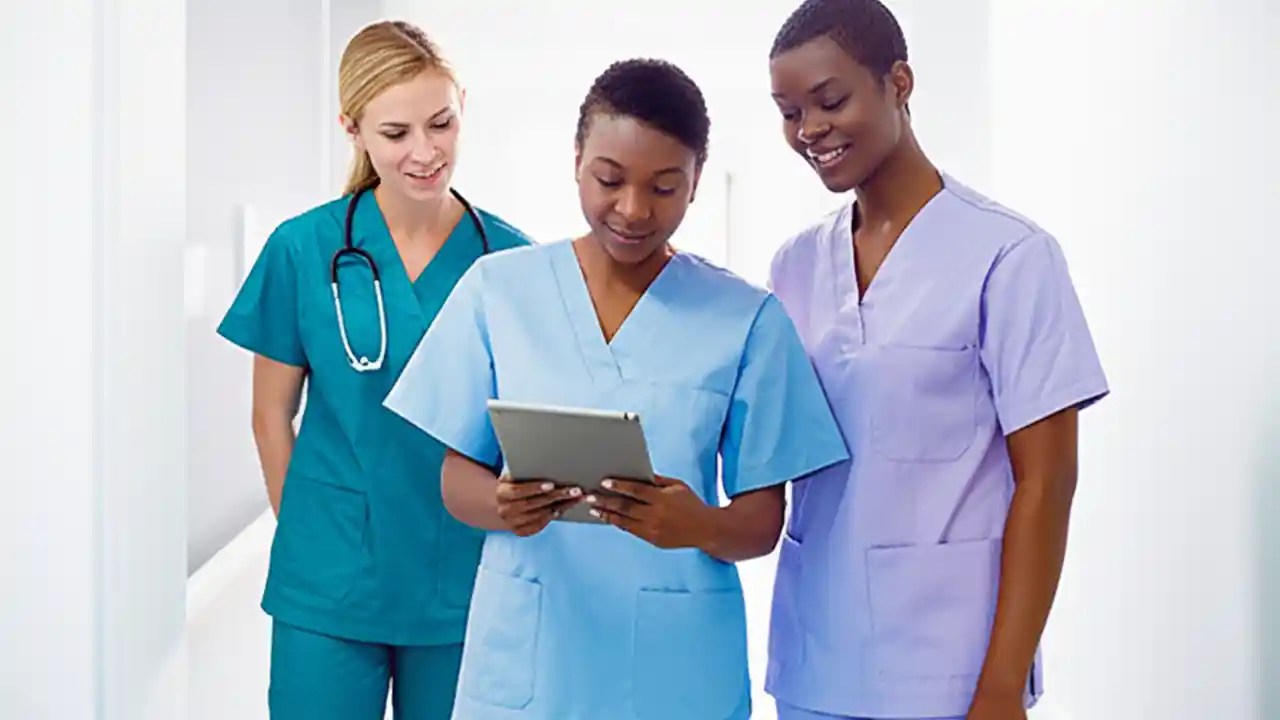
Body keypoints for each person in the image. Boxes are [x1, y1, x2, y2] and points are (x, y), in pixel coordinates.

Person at [382, 58, 849, 719]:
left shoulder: (746, 319)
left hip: (674, 667)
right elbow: (455, 481)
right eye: (609, 179)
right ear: (577, 161)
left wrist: (698, 524)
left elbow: (760, 523)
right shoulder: (499, 291)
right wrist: (502, 503)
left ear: (694, 186)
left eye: (664, 187)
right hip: (532, 654)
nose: (632, 210)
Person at [762, 2, 1111, 720]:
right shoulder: (795, 265)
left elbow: (1047, 480)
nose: (811, 131)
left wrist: (1001, 686)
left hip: (950, 669)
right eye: (790, 111)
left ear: (900, 82)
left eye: (831, 101)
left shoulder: (1009, 256)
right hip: (815, 661)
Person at [216, 20, 531, 720]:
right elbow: (271, 414)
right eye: (396, 134)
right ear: (352, 129)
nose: (425, 152)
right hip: (329, 580)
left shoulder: (512, 262)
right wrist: (306, 535)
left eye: (441, 123)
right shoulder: (302, 249)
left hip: (464, 578)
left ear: (462, 110)